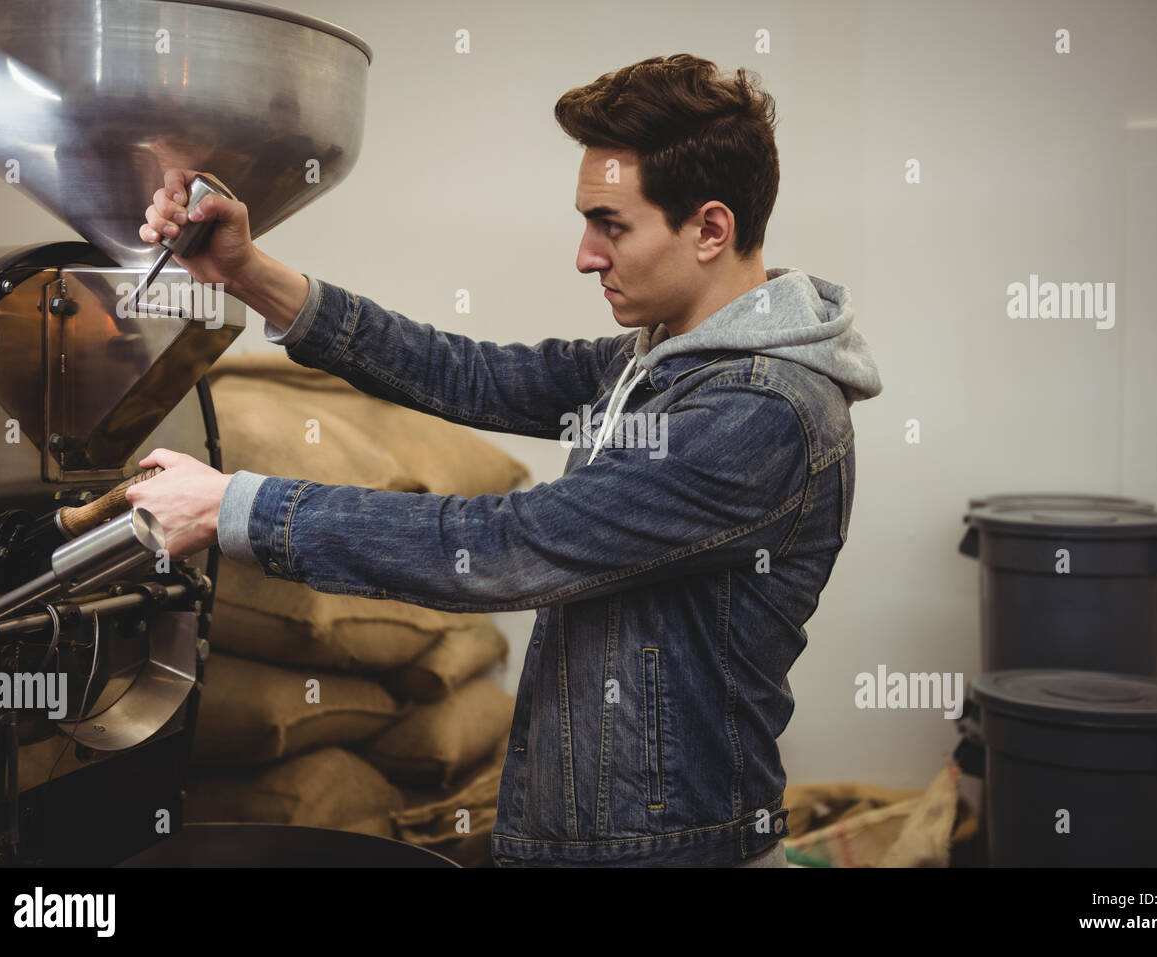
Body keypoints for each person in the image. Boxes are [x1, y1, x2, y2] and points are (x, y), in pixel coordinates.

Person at [127, 53, 882, 867]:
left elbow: (506, 546)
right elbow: (468, 372)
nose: (586, 255)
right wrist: (250, 273)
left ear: (710, 228)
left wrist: (232, 506)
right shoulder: (661, 360)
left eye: (612, 224)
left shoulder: (757, 413)